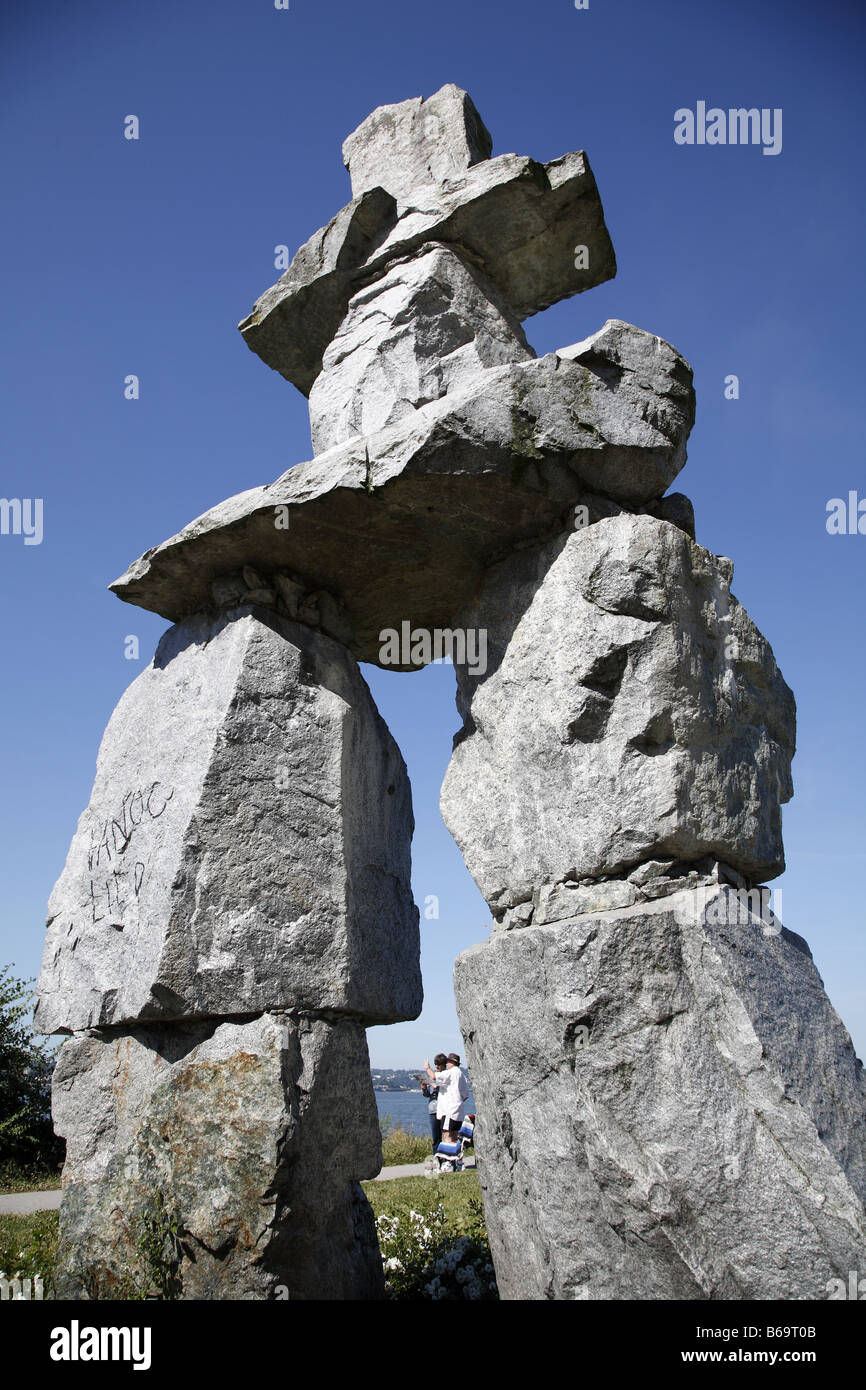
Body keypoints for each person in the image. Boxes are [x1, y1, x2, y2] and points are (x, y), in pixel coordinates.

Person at [424, 1052, 470, 1143]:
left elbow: (434, 1076)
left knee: (447, 1136)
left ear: (450, 1063)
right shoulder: (462, 1075)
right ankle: (456, 1156)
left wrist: (427, 1068)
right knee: (455, 1136)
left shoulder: (450, 1072)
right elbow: (465, 1095)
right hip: (458, 1112)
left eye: (447, 1063)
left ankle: (448, 1156)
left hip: (449, 1112)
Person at [419, 1053, 447, 1152]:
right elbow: (428, 1095)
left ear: (444, 1065)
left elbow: (440, 1088)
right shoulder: (432, 1076)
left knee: (446, 1136)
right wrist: (424, 1089)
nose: (437, 1067)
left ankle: (446, 1158)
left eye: (438, 1065)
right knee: (436, 1137)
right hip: (433, 1109)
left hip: (444, 1109)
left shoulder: (445, 1075)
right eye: (436, 1065)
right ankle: (436, 1157)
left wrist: (431, 1082)